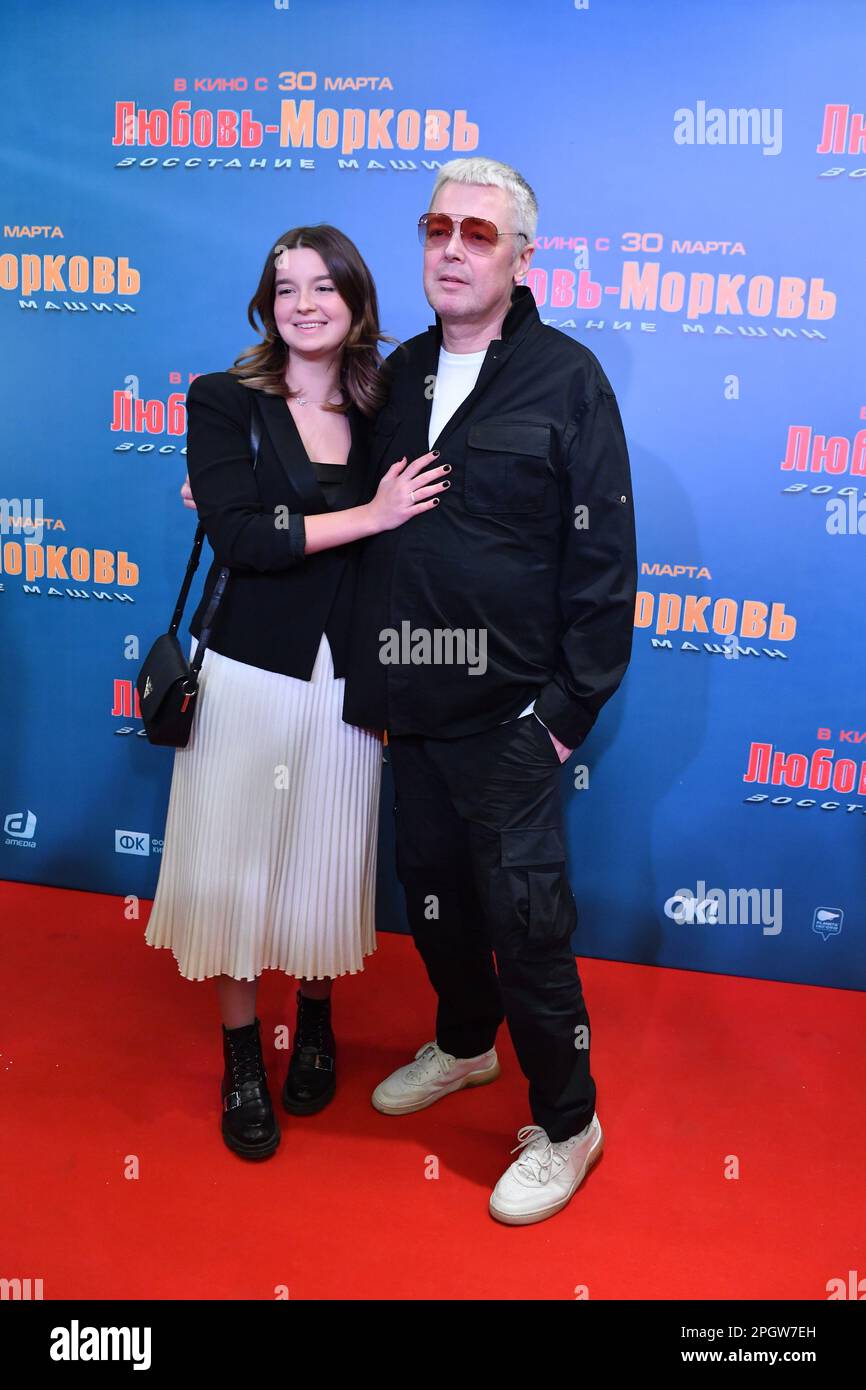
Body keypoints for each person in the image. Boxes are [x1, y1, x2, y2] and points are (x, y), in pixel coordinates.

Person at [341, 157, 638, 1225]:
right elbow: (340, 494)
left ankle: (568, 1123)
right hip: (409, 711)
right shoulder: (398, 376)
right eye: (436, 227)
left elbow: (603, 570)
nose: (452, 247)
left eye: (478, 230)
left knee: (527, 923)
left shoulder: (567, 379)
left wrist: (559, 720)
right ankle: (466, 1044)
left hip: (513, 721)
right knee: (431, 900)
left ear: (521, 255)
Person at [145, 224, 448, 1161]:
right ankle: (243, 1059)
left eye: (323, 286)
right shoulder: (222, 400)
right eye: (285, 289)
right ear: (265, 305)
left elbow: (418, 529)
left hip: (350, 676)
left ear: (356, 301)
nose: (304, 303)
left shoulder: (390, 404)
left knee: (326, 860)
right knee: (234, 869)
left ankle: (315, 1025)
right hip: (246, 671)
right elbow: (242, 537)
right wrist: (367, 514)